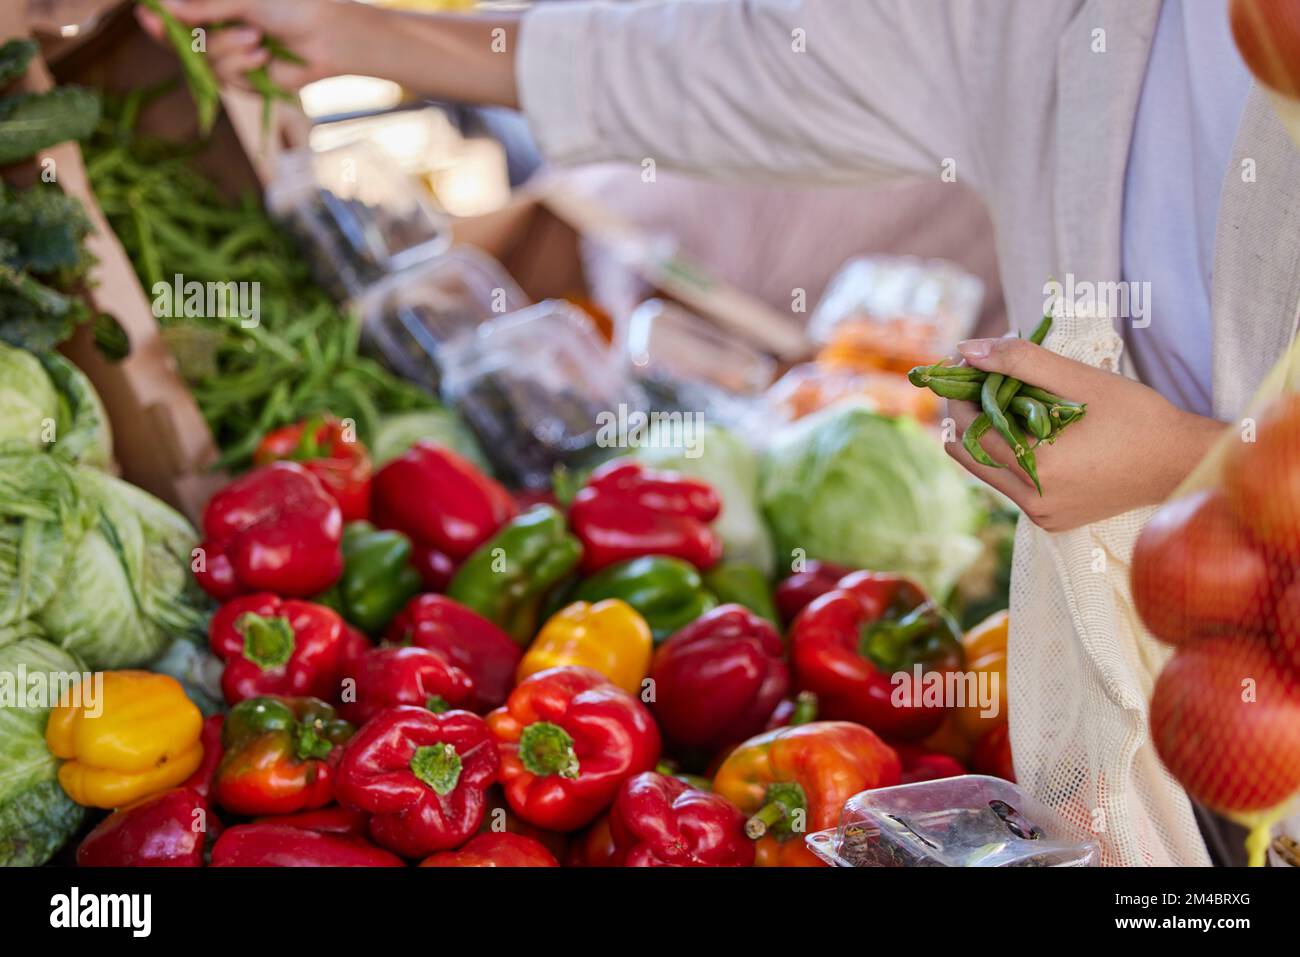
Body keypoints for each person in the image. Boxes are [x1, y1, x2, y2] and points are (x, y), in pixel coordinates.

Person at [140, 0, 1300, 865]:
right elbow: (739, 61)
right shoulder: (1059, 17)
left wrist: (1177, 466)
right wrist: (355, 34)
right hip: (1126, 708)